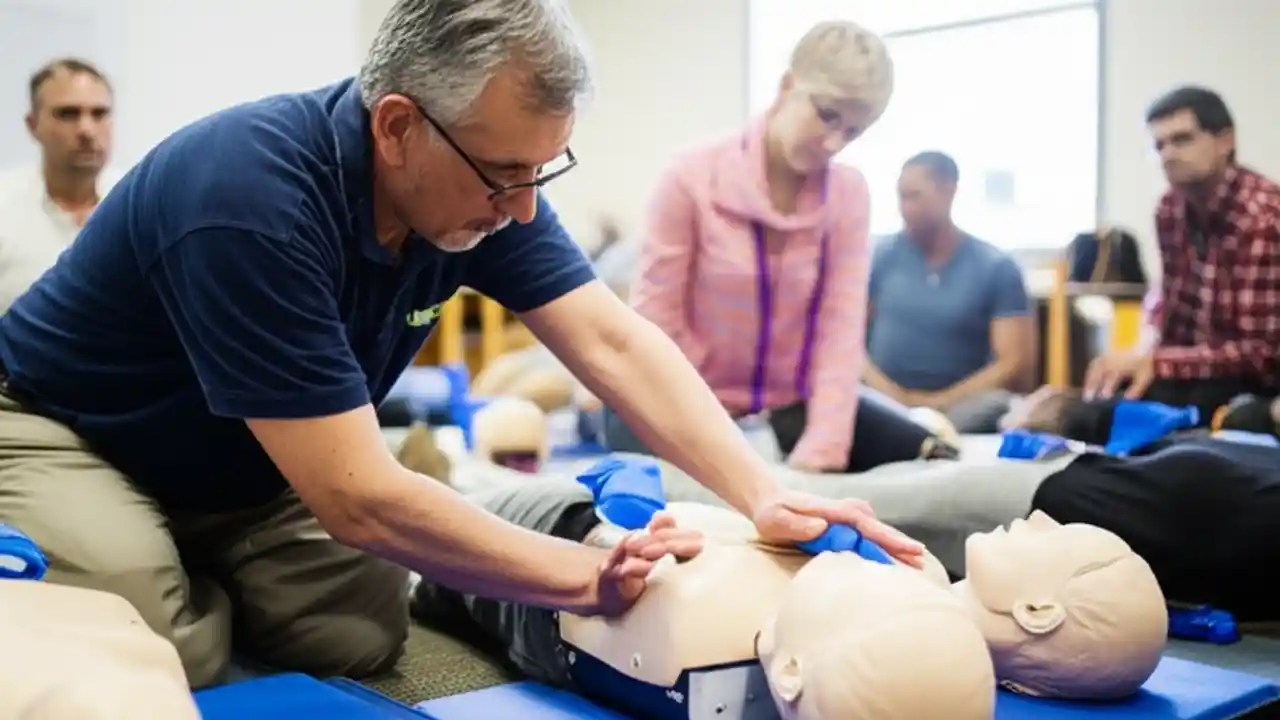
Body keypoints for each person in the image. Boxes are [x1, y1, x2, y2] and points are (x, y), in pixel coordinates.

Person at [0, 0, 922, 689]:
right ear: (398, 126)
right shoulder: (247, 197)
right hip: (69, 430)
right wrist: (579, 579)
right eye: (505, 174)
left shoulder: (477, 175)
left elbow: (611, 340)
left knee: (359, 635)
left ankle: (178, 555)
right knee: (154, 642)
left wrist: (766, 496)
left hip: (248, 459)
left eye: (543, 170)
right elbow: (361, 499)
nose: (522, 206)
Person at [411, 487, 995, 720]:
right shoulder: (902, 588)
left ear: (788, 674)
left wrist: (620, 540)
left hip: (550, 558)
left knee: (436, 553)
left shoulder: (711, 631)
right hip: (597, 524)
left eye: (867, 602)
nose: (858, 576)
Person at [616, 20, 895, 473]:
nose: (834, 143)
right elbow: (657, 321)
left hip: (787, 408)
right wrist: (707, 435)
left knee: (915, 445)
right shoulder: (690, 176)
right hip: (692, 401)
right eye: (827, 115)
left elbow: (840, 330)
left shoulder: (849, 193)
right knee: (626, 423)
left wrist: (820, 453)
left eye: (853, 132)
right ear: (788, 86)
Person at [1083, 86, 1280, 413]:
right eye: (1158, 145)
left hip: (1258, 385)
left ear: (1225, 141)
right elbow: (1171, 313)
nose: (1168, 154)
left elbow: (1262, 356)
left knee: (1126, 413)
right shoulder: (1169, 210)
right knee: (1105, 399)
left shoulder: (1263, 217)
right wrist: (1140, 356)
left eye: (1182, 139)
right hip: (1197, 371)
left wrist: (1159, 363)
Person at [865, 151, 1035, 433]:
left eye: (914, 196)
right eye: (901, 197)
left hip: (959, 409)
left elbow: (1014, 365)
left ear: (948, 191)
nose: (905, 208)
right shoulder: (879, 258)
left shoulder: (996, 267)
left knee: (1001, 405)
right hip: (883, 400)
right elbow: (845, 341)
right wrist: (894, 397)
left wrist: (937, 403)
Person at [0, 58, 117, 312]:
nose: (87, 129)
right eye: (67, 114)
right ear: (33, 125)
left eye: (99, 114)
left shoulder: (137, 206)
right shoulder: (4, 208)